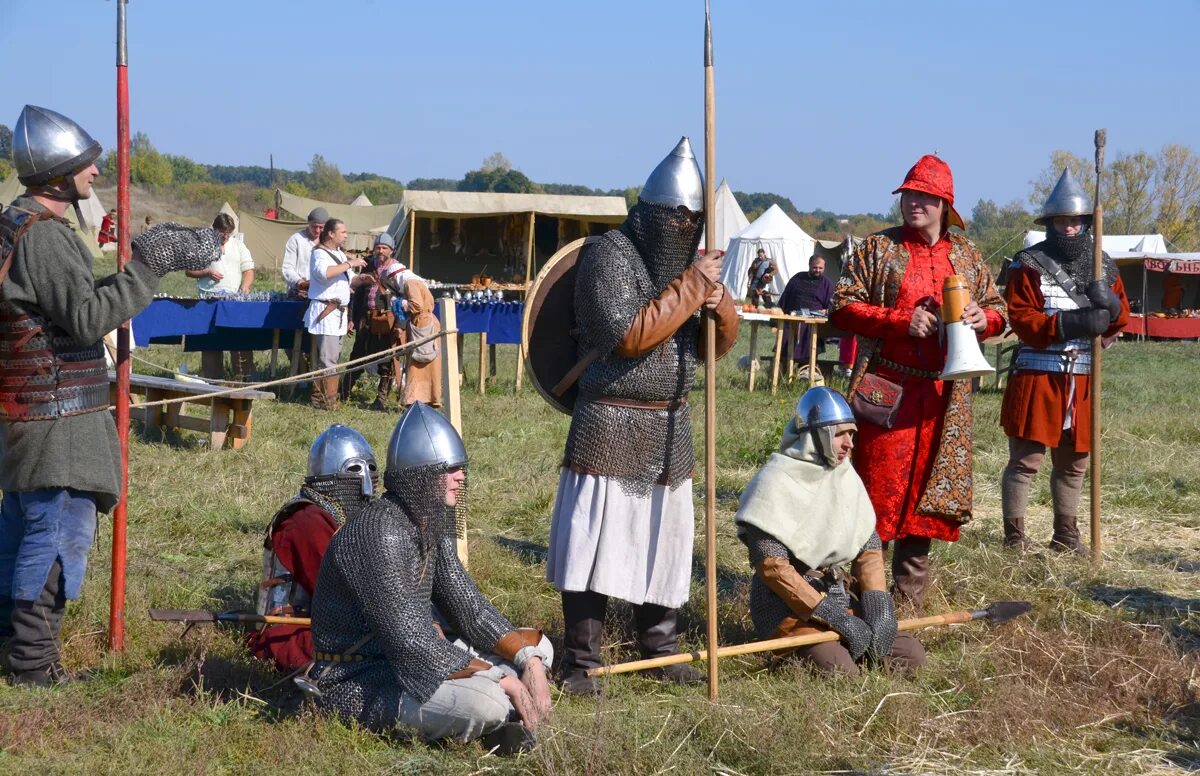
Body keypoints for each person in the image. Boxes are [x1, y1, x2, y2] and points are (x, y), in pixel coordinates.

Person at [0, 105, 221, 686]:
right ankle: (30, 668)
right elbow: (86, 316)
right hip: (57, 419)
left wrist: (149, 270)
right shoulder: (43, 235)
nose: (96, 172)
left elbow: (67, 303)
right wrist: (148, 266)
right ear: (57, 170)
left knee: (24, 538)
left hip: (38, 415)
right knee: (50, 543)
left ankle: (16, 656)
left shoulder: (19, 224)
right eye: (85, 163)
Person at [546, 137, 739, 695]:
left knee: (665, 540)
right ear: (651, 213)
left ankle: (661, 648)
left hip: (671, 426)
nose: (683, 228)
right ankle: (582, 661)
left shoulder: (689, 268)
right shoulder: (608, 254)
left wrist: (717, 300)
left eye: (691, 220)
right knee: (592, 545)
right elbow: (629, 335)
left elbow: (717, 345)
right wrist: (692, 285)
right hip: (610, 421)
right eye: (675, 217)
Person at [309, 402, 553, 753]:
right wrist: (505, 680)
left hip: (411, 659)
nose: (461, 476)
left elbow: (470, 610)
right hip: (359, 677)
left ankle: (493, 718)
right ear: (421, 475)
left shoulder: (429, 522)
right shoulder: (380, 532)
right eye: (450, 469)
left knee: (537, 647)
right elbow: (411, 644)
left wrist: (526, 660)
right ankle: (496, 719)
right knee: (489, 702)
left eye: (461, 468)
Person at [829, 154, 1006, 609]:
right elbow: (842, 306)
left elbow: (999, 310)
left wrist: (980, 318)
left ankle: (908, 603)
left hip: (943, 400)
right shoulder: (878, 249)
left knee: (925, 500)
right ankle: (863, 599)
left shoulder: (965, 255)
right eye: (908, 195)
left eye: (924, 197)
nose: (913, 204)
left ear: (944, 203)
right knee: (874, 495)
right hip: (887, 394)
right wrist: (899, 321)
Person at [736, 387, 925, 675]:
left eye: (852, 434)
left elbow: (868, 546)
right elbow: (773, 567)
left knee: (912, 656)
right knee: (841, 672)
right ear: (815, 435)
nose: (849, 443)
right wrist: (831, 615)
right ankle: (802, 656)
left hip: (840, 596)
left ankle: (852, 644)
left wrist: (877, 606)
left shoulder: (845, 476)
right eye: (840, 434)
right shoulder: (774, 482)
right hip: (791, 610)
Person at [1000, 169, 1129, 554]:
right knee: (1027, 461)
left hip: (1084, 377)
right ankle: (1016, 539)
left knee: (1074, 464)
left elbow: (1119, 319)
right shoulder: (1028, 263)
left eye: (1075, 220)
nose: (1069, 227)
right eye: (1062, 220)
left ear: (1086, 222)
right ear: (1050, 223)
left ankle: (1066, 535)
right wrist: (1073, 322)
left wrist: (1113, 305)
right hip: (1038, 373)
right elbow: (1022, 319)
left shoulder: (1102, 264)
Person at [247, 424, 377, 672]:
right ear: (329, 479)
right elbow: (340, 592)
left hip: (337, 625)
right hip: (292, 633)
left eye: (371, 470)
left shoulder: (345, 517)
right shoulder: (305, 520)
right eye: (354, 472)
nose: (367, 484)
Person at [305, 218, 367, 410]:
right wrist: (350, 263)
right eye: (343, 232)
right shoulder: (319, 254)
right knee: (327, 358)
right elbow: (325, 273)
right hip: (326, 311)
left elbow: (348, 280)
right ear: (331, 234)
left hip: (338, 313)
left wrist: (361, 279)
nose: (346, 235)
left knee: (332, 357)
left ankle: (324, 398)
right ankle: (327, 400)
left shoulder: (338, 253)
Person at [188, 213, 256, 380]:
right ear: (214, 229)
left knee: (238, 339)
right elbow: (189, 270)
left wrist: (245, 287)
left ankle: (242, 377)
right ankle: (213, 378)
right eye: (222, 232)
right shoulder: (202, 245)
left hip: (233, 300)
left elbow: (248, 270)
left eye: (229, 233)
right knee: (211, 341)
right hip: (208, 299)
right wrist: (206, 272)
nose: (225, 236)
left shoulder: (239, 245)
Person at [341, 234, 401, 410]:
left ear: (391, 250)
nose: (380, 251)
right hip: (365, 320)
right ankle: (343, 394)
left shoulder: (397, 271)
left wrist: (400, 325)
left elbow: (403, 299)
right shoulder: (367, 266)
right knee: (357, 357)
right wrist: (352, 318)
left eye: (384, 247)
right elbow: (357, 296)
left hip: (386, 321)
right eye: (378, 247)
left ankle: (381, 399)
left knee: (386, 360)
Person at [378, 258, 441, 408]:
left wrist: (399, 303)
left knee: (419, 362)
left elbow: (416, 305)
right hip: (424, 321)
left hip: (422, 323)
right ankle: (425, 399)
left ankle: (417, 400)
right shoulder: (413, 281)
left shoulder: (410, 283)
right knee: (423, 364)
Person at [779, 253, 836, 368]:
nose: (817, 270)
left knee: (809, 351)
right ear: (809, 265)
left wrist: (825, 311)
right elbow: (785, 297)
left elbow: (831, 306)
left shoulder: (827, 284)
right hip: (792, 321)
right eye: (815, 267)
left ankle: (804, 373)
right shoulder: (797, 278)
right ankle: (784, 375)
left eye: (821, 268)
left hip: (812, 324)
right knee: (785, 351)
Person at [282, 207, 329, 300]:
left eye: (321, 227)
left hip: (322, 293)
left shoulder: (329, 242)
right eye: (314, 226)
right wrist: (300, 282)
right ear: (309, 223)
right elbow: (287, 268)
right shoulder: (296, 240)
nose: (317, 230)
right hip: (299, 292)